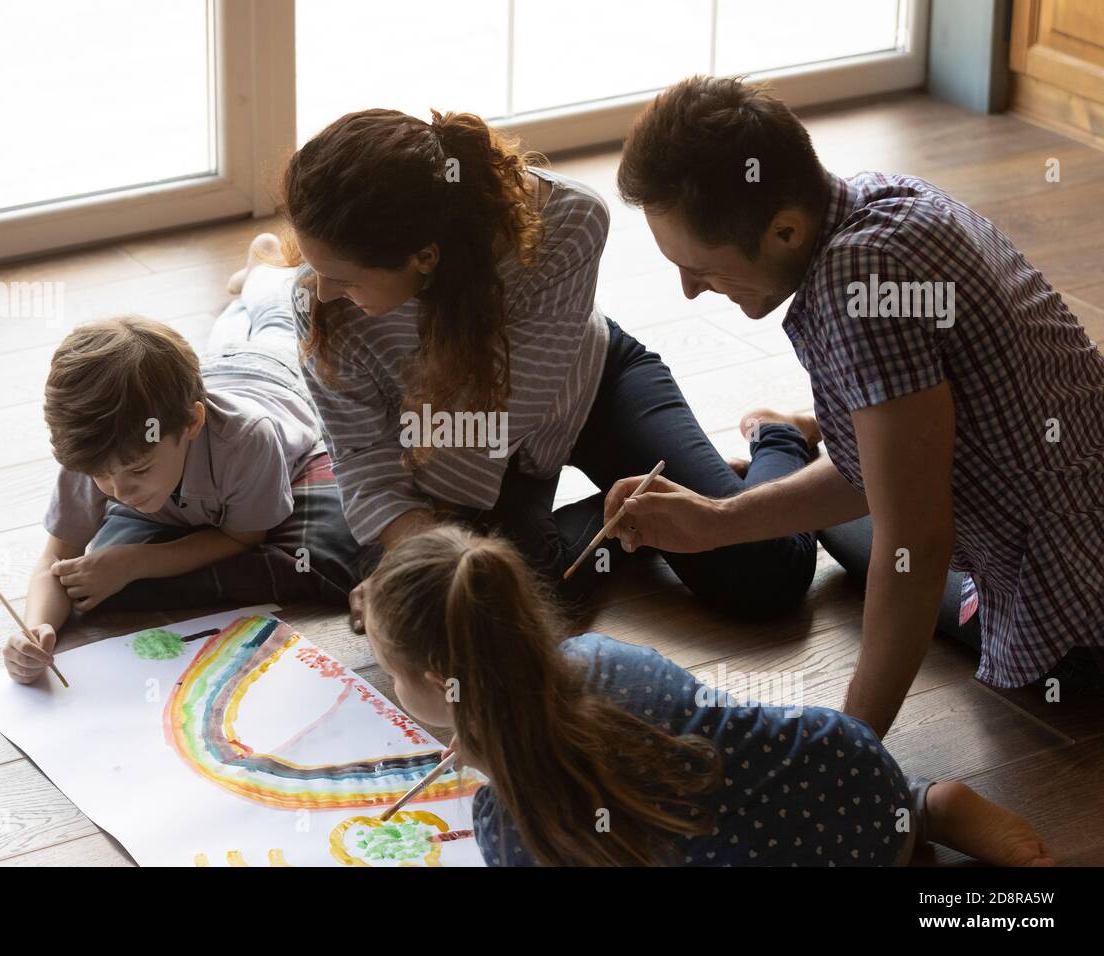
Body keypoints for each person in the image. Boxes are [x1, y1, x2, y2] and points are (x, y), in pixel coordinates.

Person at [608, 75, 1104, 737]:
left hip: (1074, 601)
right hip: (1075, 506)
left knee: (875, 545)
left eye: (702, 267)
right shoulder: (883, 197)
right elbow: (874, 481)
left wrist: (850, 743)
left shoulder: (857, 289)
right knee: (855, 518)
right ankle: (817, 431)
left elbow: (919, 545)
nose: (691, 290)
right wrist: (713, 522)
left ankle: (802, 435)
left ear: (784, 229)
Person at [280, 107, 819, 635]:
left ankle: (779, 436)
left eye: (343, 278)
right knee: (485, 608)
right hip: (450, 443)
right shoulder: (319, 300)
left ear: (424, 257)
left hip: (585, 386)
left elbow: (499, 420)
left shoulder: (567, 221)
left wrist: (433, 557)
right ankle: (639, 516)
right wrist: (413, 545)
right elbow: (359, 453)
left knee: (764, 577)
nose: (322, 290)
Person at [364, 524, 1054, 867]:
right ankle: (929, 804)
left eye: (391, 674)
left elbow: (571, 771)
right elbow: (599, 727)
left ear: (435, 682)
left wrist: (499, 759)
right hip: (850, 779)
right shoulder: (602, 657)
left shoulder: (509, 822)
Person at [3, 243, 361, 683]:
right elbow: (57, 559)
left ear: (191, 423)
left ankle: (262, 261)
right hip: (215, 366)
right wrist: (35, 629)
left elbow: (242, 535)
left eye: (137, 470)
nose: (119, 492)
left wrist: (134, 562)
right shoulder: (96, 453)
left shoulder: (249, 441)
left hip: (274, 374)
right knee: (230, 329)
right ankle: (249, 283)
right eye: (102, 476)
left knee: (278, 310)